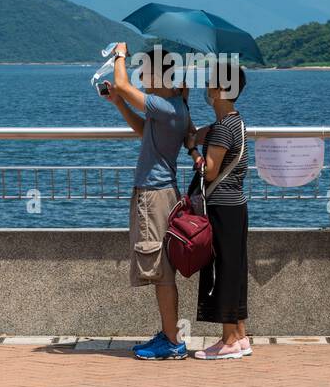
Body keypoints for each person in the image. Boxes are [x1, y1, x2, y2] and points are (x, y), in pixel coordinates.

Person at [105, 42, 194, 360]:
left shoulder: (165, 105)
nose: (141, 76)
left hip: (154, 195)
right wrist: (119, 104)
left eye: (145, 70)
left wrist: (119, 56)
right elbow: (144, 130)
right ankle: (169, 333)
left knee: (160, 271)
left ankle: (171, 341)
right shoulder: (175, 106)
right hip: (160, 192)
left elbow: (122, 83)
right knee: (160, 268)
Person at [192, 64, 251, 359]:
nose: (207, 89)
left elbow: (211, 171)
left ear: (219, 90)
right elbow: (206, 134)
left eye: (210, 85)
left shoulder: (223, 128)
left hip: (221, 209)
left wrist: (195, 154)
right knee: (236, 268)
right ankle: (240, 335)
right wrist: (198, 135)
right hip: (237, 206)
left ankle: (227, 341)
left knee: (223, 271)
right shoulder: (235, 122)